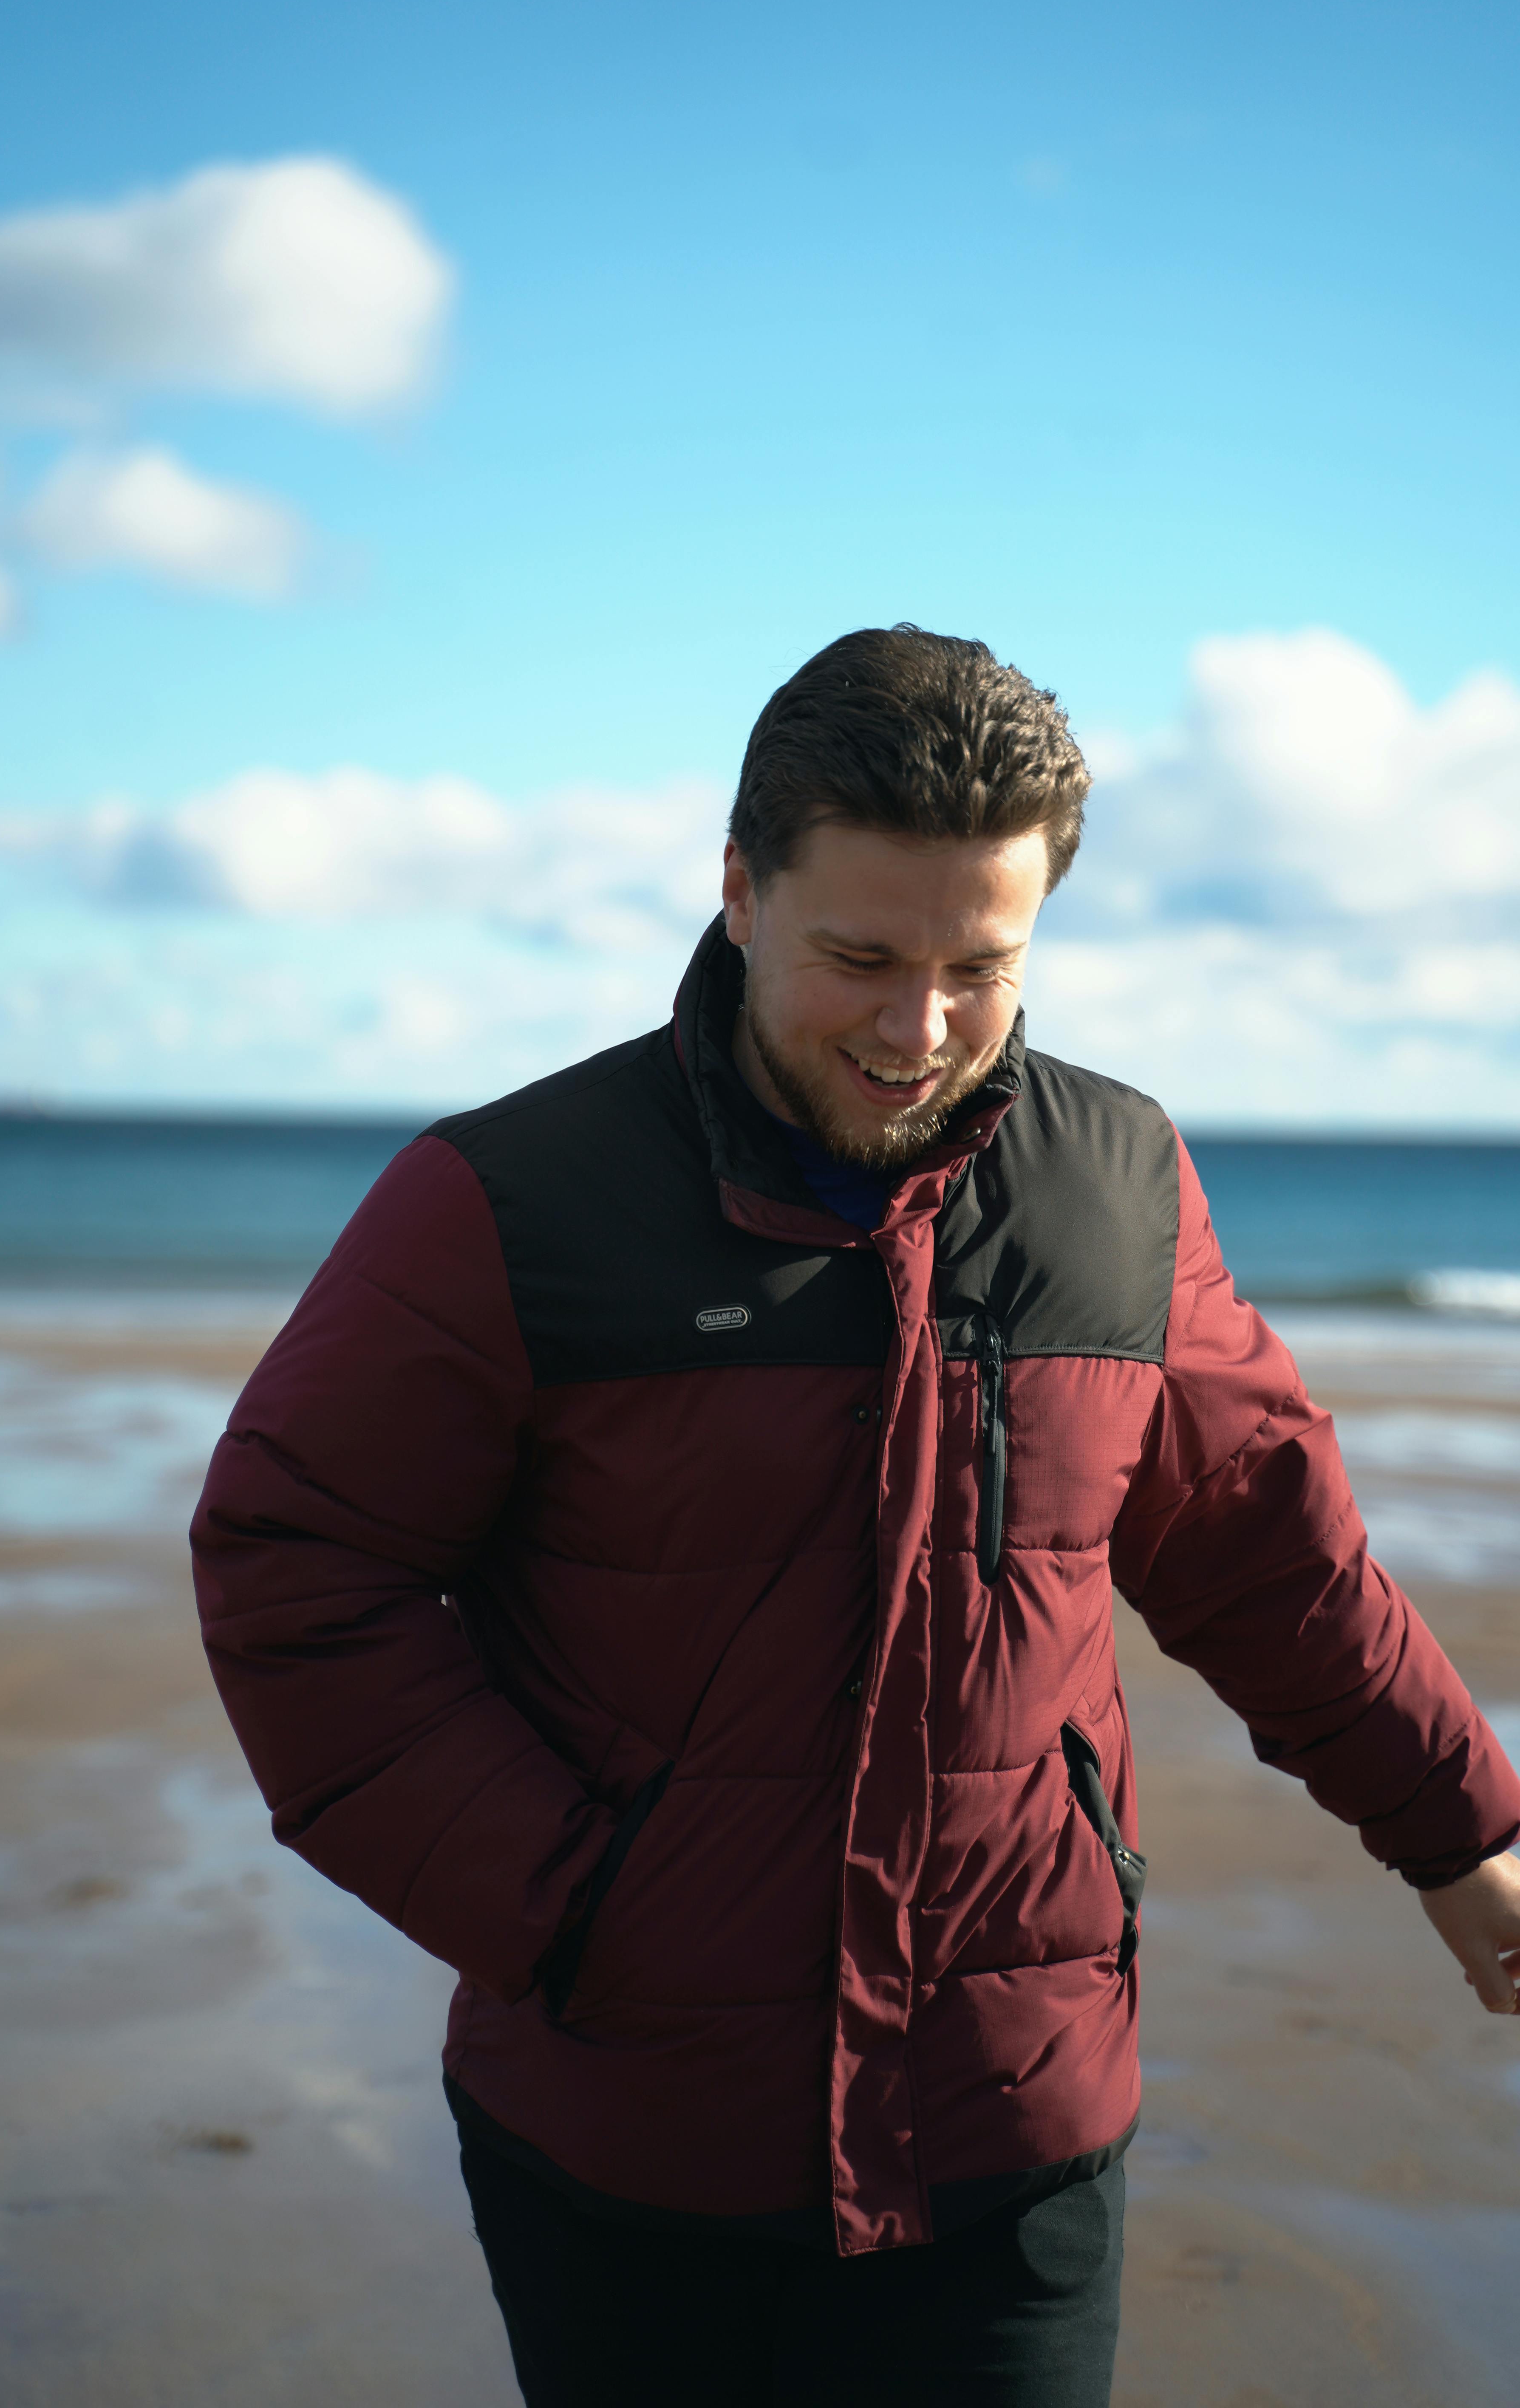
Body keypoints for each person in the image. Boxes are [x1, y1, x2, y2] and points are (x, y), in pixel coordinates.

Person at [191, 626, 1520, 2408]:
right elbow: (299, 1566)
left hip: (1015, 2111)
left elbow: (1262, 1546)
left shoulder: (1115, 1186)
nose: (918, 1034)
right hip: (627, 2129)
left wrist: (1461, 1835)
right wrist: (575, 1912)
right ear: (739, 891)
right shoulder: (508, 1200)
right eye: (861, 958)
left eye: (981, 967)